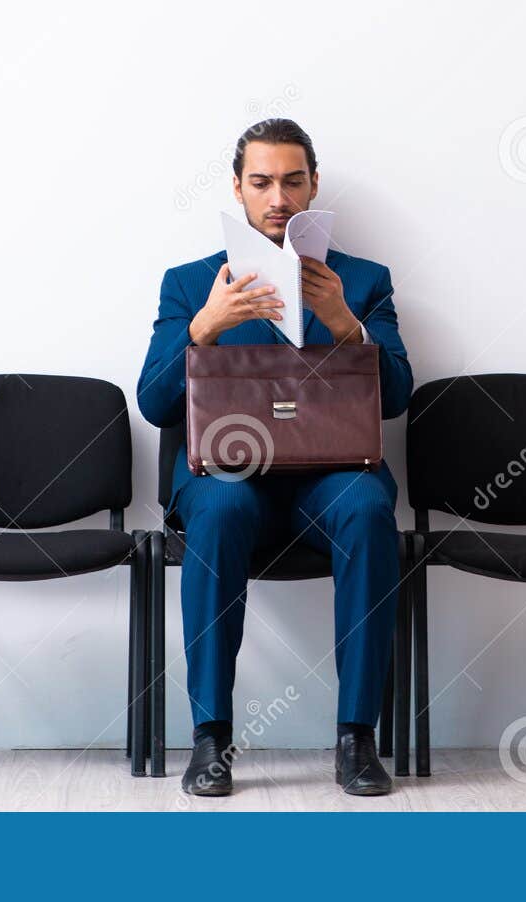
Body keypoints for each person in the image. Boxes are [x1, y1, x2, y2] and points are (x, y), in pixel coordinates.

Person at [136, 118, 413, 796]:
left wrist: (349, 326)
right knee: (222, 507)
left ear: (313, 185)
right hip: (226, 475)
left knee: (370, 505)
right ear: (238, 189)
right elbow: (153, 401)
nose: (278, 198)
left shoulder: (363, 281)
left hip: (330, 476)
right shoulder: (191, 283)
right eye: (261, 182)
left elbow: (397, 397)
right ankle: (211, 738)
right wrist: (204, 326)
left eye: (293, 181)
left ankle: (357, 739)